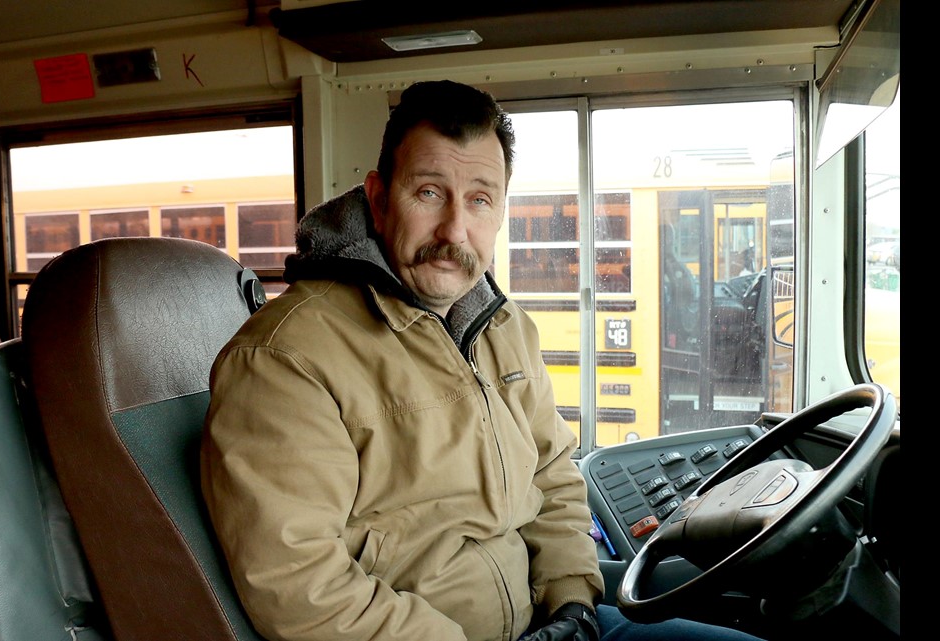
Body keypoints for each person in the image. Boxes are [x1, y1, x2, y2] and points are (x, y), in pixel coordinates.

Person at [201, 80, 763, 641]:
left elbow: (554, 477)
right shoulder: (283, 359)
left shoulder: (504, 326)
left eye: (479, 199)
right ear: (378, 199)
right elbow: (300, 588)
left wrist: (573, 602)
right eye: (427, 193)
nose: (453, 230)